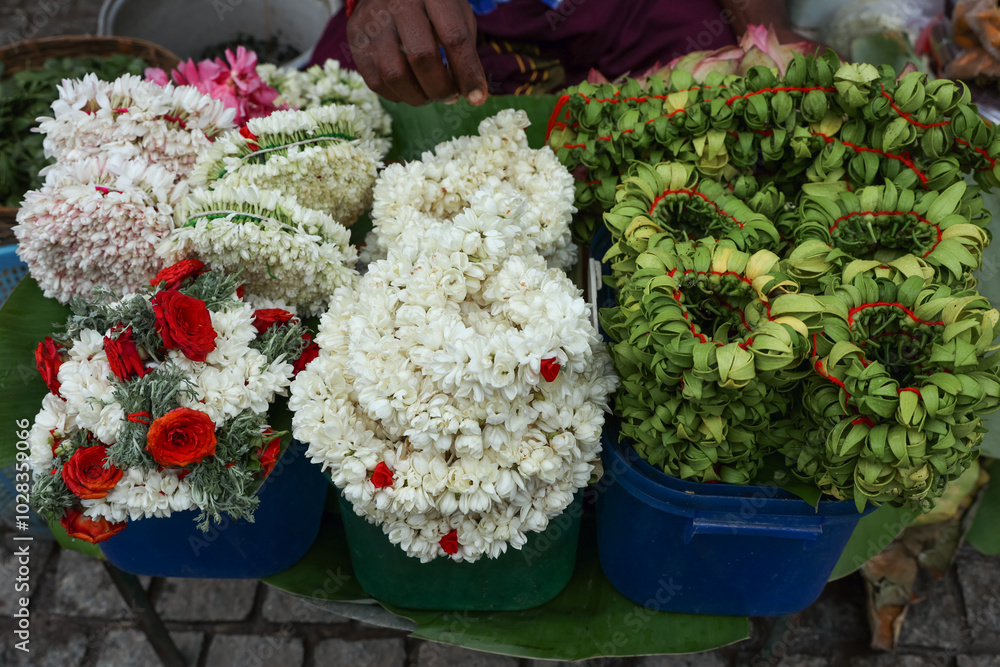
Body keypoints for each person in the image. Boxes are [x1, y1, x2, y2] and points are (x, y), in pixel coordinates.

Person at [309, 0, 805, 105]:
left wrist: (769, 32)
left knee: (746, 101)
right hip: (454, 16)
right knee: (327, 108)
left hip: (630, 12)